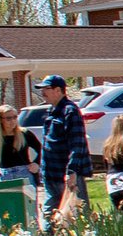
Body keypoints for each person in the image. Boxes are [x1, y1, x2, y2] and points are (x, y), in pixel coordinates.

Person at [34, 76, 91, 228]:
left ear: (58, 90)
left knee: (75, 215)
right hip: (50, 172)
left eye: (47, 89)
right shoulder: (51, 110)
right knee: (49, 213)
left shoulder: (70, 111)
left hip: (65, 173)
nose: (43, 93)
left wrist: (71, 171)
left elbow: (77, 144)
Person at [0, 103, 40, 188]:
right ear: (1, 120)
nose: (13, 121)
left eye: (15, 117)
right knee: (8, 201)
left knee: (27, 201)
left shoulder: (24, 133)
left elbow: (41, 149)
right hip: (6, 175)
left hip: (24, 172)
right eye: (8, 118)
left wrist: (37, 163)